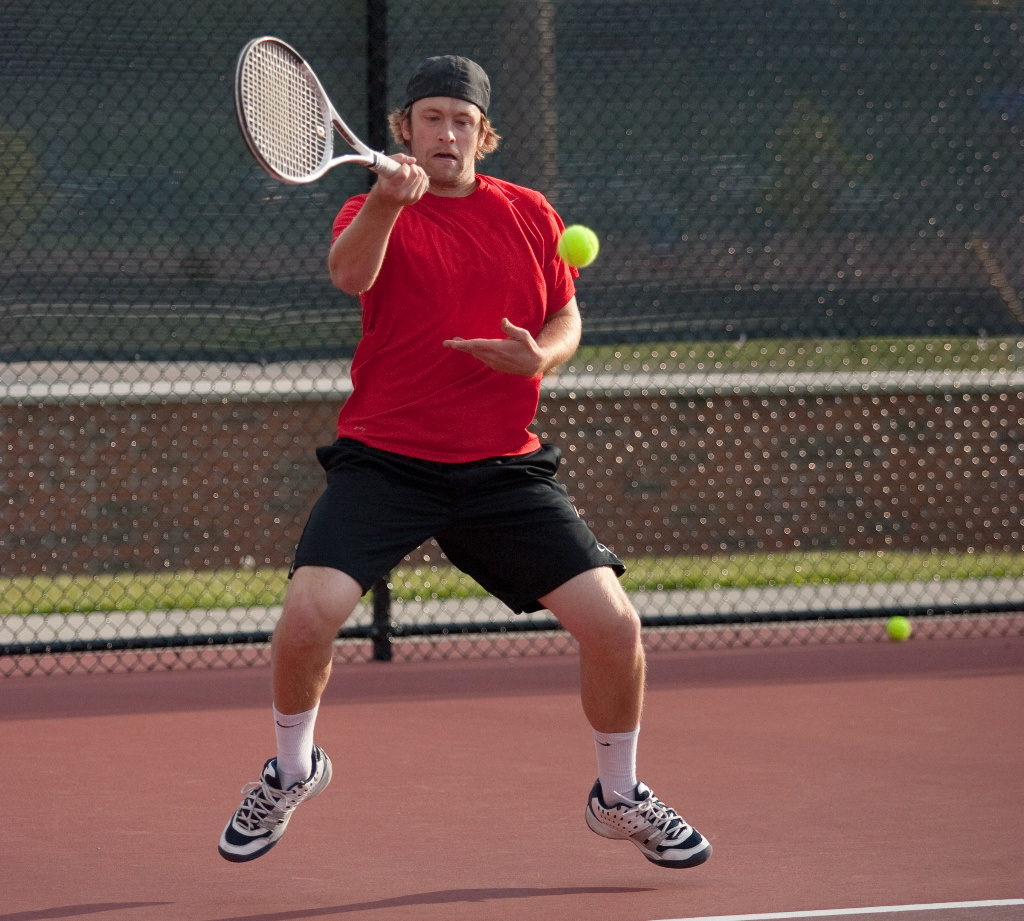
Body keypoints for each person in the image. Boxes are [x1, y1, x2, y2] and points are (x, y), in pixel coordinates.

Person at [218, 54, 712, 870]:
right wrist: (384, 203)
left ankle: (618, 797)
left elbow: (566, 314)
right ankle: (292, 770)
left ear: (484, 134)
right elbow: (349, 275)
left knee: (616, 626)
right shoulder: (368, 205)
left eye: (461, 120)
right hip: (386, 462)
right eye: (431, 118)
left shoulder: (530, 212)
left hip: (501, 471)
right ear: (403, 131)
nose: (446, 133)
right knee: (307, 616)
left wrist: (540, 359)